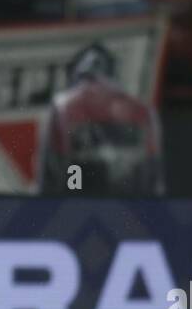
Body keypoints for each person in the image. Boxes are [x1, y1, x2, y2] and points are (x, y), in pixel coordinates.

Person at [37, 43, 165, 197]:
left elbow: (56, 172)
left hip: (80, 206)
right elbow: (153, 176)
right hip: (131, 209)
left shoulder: (63, 107)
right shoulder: (143, 111)